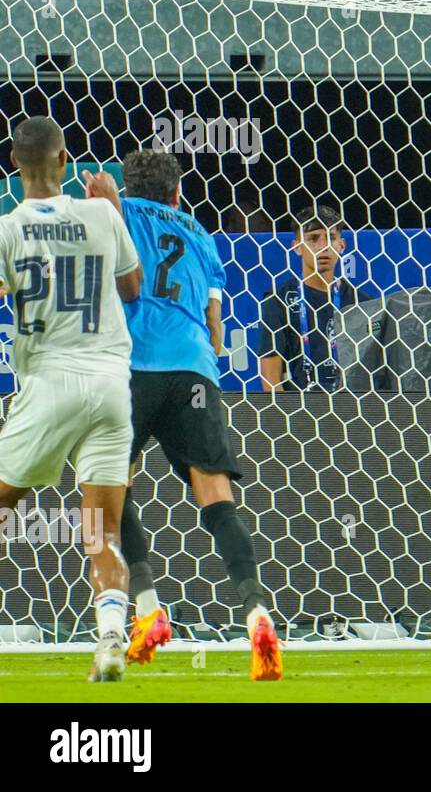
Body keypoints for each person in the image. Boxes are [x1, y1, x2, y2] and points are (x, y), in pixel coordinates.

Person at [82, 149, 282, 681]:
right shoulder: (200, 233)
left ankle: (147, 610)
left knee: (109, 490)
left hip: (132, 366)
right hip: (194, 369)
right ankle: (257, 615)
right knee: (217, 499)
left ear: (132, 186)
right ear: (176, 194)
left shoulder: (118, 211)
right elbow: (216, 327)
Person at [0, 117, 143, 682]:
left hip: (49, 383)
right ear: (65, 161)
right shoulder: (102, 213)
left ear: (14, 164)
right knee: (101, 531)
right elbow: (131, 287)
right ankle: (110, 638)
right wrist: (112, 204)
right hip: (110, 384)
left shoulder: (7, 230)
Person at [257, 205, 375, 392]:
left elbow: (373, 368)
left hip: (351, 409)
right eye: (313, 239)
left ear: (342, 245)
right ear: (297, 247)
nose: (323, 246)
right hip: (299, 409)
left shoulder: (362, 302)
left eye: (331, 238)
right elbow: (270, 376)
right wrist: (283, 419)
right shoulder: (278, 300)